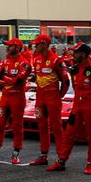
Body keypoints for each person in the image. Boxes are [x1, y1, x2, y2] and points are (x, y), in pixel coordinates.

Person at [47, 43, 91, 175]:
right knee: (69, 134)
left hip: (90, 107)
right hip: (76, 107)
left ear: (84, 54)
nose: (72, 55)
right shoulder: (73, 69)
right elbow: (74, 87)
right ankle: (61, 161)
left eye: (75, 52)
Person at [0, 38, 31, 164]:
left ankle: (16, 153)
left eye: (10, 46)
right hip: (5, 98)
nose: (7, 48)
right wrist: (11, 79)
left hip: (17, 98)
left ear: (17, 47)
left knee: (17, 126)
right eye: (7, 45)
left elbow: (19, 81)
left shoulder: (24, 64)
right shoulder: (5, 62)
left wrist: (8, 79)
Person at [28, 34, 70, 166]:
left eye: (37, 44)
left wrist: (59, 95)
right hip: (40, 97)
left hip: (53, 97)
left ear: (45, 45)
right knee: (42, 126)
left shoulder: (57, 60)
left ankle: (61, 157)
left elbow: (66, 81)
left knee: (56, 127)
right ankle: (43, 155)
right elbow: (38, 76)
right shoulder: (36, 58)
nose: (34, 46)